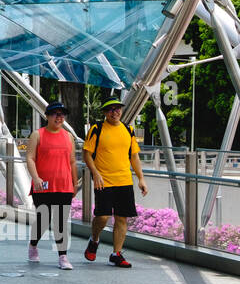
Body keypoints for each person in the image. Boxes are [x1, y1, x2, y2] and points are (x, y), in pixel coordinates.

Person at [82, 98, 148, 267]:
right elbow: (87, 154)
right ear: (105, 112)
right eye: (110, 109)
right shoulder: (97, 129)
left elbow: (134, 156)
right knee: (103, 216)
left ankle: (116, 254)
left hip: (124, 180)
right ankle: (94, 239)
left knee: (121, 218)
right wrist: (95, 173)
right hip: (104, 180)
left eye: (117, 108)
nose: (115, 112)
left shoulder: (128, 130)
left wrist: (141, 178)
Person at [25, 101, 77, 269]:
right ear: (47, 116)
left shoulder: (68, 136)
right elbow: (30, 158)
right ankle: (33, 245)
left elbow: (73, 161)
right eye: (55, 113)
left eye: (62, 114)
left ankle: (63, 257)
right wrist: (36, 178)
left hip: (64, 185)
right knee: (43, 220)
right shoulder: (37, 135)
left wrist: (74, 183)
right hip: (43, 186)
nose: (59, 117)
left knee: (60, 222)